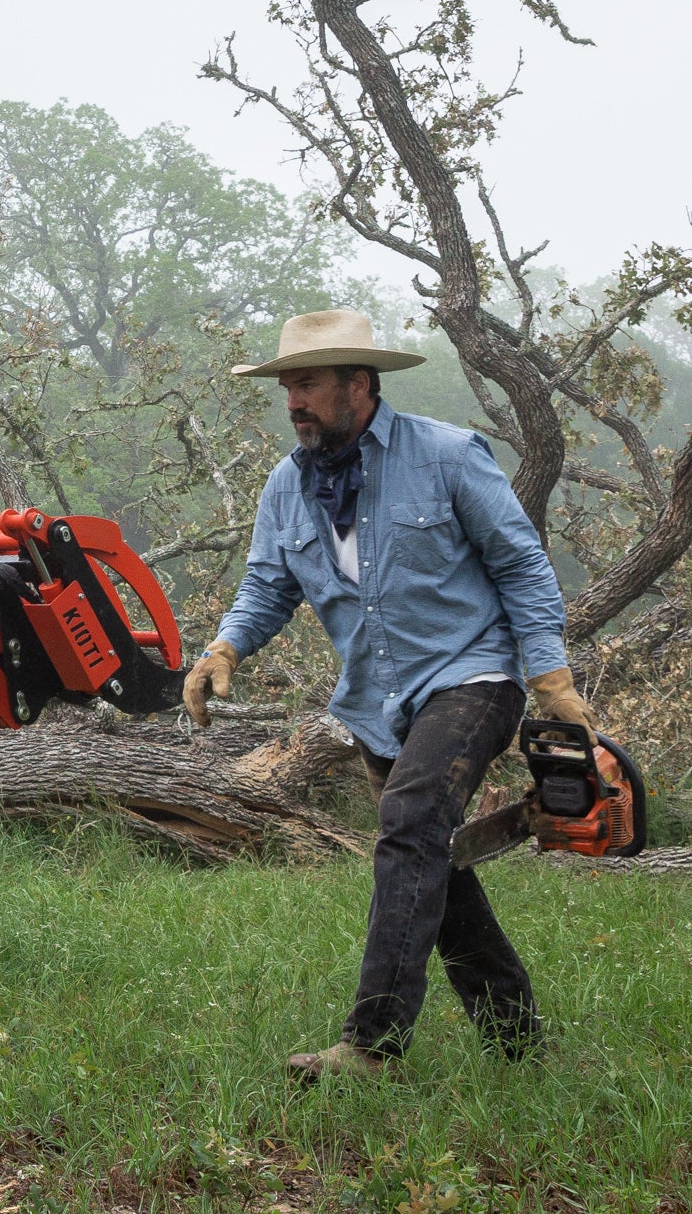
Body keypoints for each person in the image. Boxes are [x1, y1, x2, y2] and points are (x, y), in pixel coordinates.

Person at [182, 309, 589, 1081]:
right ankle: (518, 1044)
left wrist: (551, 674)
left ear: (358, 384)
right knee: (433, 860)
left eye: (307, 384)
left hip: (472, 676)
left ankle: (372, 1047)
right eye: (287, 386)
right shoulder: (287, 485)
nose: (293, 401)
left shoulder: (447, 455)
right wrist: (225, 646)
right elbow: (268, 584)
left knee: (407, 825)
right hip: (377, 702)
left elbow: (523, 566)